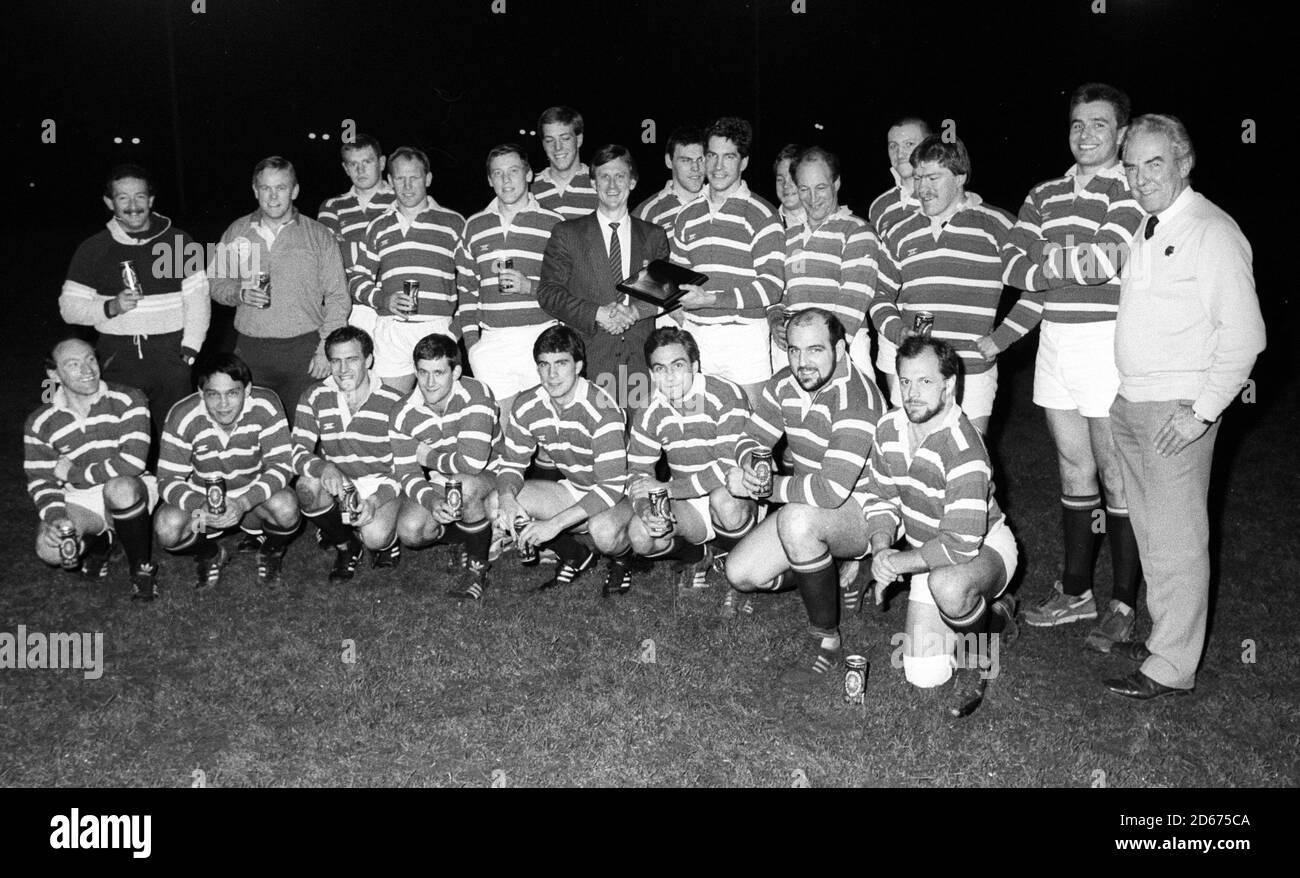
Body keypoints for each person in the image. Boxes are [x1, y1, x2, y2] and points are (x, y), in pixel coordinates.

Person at [1103, 114, 1265, 700]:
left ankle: (1172, 667)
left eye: (1155, 163)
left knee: (1175, 539)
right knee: (1151, 533)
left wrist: (1200, 412)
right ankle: (1165, 639)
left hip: (1175, 409)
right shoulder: (1149, 226)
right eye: (1132, 166)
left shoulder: (1211, 229)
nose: (1142, 178)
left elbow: (1245, 335)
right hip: (1133, 402)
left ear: (1183, 163)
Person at [980, 84, 1145, 649]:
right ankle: (1078, 592)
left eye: (1098, 125)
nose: (1085, 135)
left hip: (1107, 343)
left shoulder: (1131, 187)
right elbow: (1010, 265)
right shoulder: (1044, 193)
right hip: (1057, 343)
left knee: (1117, 474)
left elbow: (1106, 261)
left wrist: (1047, 264)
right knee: (1075, 472)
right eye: (1077, 124)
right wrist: (1061, 268)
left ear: (1121, 133)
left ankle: (1124, 601)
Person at [862, 336, 1019, 718]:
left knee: (948, 584)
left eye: (925, 381)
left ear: (949, 387)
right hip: (926, 554)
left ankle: (985, 633)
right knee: (923, 675)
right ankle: (990, 613)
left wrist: (897, 564)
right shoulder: (888, 427)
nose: (912, 392)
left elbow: (961, 545)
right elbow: (879, 495)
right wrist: (883, 548)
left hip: (982, 548)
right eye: (905, 381)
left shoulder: (965, 447)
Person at [724, 309, 886, 679]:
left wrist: (765, 487)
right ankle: (828, 571)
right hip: (810, 503)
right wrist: (752, 467)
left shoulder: (856, 398)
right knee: (741, 574)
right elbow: (750, 438)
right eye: (794, 351)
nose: (802, 362)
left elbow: (830, 491)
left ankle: (826, 637)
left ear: (841, 349)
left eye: (815, 350)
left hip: (865, 509)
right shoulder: (785, 383)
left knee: (797, 521)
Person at [60, 164, 210, 449]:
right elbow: (68, 308)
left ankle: (173, 494)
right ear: (109, 202)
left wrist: (189, 350)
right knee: (122, 443)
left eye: (140, 196)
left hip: (171, 357)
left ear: (151, 200)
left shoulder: (178, 241)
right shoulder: (93, 249)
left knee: (178, 442)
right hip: (118, 359)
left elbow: (198, 300)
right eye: (123, 198)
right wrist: (110, 307)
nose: (133, 206)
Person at [871, 135, 1014, 430]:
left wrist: (1005, 336)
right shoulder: (900, 231)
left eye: (933, 177)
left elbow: (1042, 279)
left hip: (971, 370)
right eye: (918, 177)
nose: (922, 188)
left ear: (960, 176)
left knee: (971, 466)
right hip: (917, 370)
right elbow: (879, 295)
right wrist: (898, 332)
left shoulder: (997, 225)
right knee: (917, 461)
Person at [209, 156, 350, 427]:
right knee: (253, 430)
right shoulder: (237, 231)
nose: (273, 197)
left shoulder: (318, 235)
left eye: (281, 188)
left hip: (305, 351)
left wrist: (325, 348)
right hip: (251, 351)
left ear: (294, 190)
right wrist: (239, 292)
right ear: (255, 190)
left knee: (305, 432)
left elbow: (337, 296)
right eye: (265, 188)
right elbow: (216, 283)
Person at [491, 326, 633, 595]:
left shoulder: (603, 409)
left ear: (578, 366)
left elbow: (611, 488)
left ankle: (623, 559)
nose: (552, 374)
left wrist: (552, 526)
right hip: (577, 487)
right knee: (496, 502)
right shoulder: (527, 404)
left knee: (602, 529)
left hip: (621, 494)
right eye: (544, 364)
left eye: (561, 364)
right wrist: (508, 500)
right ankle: (576, 554)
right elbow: (511, 463)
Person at [25, 338, 159, 599]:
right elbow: (41, 480)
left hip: (132, 486)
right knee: (48, 549)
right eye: (73, 364)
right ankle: (102, 540)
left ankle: (141, 571)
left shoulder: (129, 398)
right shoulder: (40, 421)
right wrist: (55, 518)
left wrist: (73, 473)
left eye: (90, 360)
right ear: (54, 374)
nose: (87, 370)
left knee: (119, 487)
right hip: (81, 498)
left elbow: (131, 464)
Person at [623, 327, 754, 593]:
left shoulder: (725, 395)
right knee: (640, 536)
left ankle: (745, 569)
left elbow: (727, 470)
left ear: (694, 365)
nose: (669, 377)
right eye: (659, 368)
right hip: (689, 500)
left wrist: (666, 489)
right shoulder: (649, 408)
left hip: (738, 493)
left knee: (723, 501)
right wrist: (645, 510)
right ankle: (697, 554)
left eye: (678, 365)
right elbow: (637, 473)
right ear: (651, 373)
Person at [153, 354, 300, 589]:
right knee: (166, 529)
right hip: (203, 510)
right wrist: (199, 504)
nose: (223, 404)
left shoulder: (266, 404)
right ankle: (210, 553)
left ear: (247, 389)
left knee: (286, 507)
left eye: (232, 393)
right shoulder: (182, 415)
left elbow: (282, 465)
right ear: (201, 393)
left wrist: (242, 503)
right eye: (213, 394)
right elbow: (167, 479)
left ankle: (270, 551)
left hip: (252, 503)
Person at [671, 116, 785, 404]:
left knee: (753, 429)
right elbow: (677, 280)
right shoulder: (687, 215)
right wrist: (679, 310)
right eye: (712, 156)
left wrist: (711, 300)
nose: (718, 166)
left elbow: (771, 287)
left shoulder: (763, 214)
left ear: (743, 162)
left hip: (744, 338)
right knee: (701, 428)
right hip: (696, 337)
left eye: (728, 157)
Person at [537, 144, 669, 392]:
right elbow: (548, 293)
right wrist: (597, 313)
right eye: (604, 177)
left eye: (620, 176)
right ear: (593, 183)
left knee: (639, 430)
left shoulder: (654, 236)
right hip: (587, 359)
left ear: (632, 182)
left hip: (640, 360)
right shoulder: (567, 233)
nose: (612, 185)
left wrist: (635, 313)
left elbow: (663, 292)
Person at [390, 333, 501, 600]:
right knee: (410, 530)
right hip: (449, 477)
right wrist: (430, 500)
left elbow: (472, 463)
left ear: (457, 371)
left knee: (464, 484)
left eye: (439, 372)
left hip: (495, 471)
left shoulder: (476, 393)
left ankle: (477, 567)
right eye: (423, 372)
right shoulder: (402, 412)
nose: (429, 382)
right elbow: (406, 472)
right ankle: (465, 536)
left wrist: (428, 458)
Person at [456, 143, 565, 415]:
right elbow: (467, 291)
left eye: (513, 171)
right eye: (498, 173)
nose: (506, 180)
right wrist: (472, 346)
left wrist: (528, 286)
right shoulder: (474, 225)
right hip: (492, 343)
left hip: (541, 336)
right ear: (490, 180)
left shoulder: (555, 224)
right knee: (503, 433)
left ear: (528, 175)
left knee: (546, 428)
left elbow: (568, 290)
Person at [349, 146, 466, 395]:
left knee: (441, 409)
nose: (408, 185)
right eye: (400, 178)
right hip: (391, 330)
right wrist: (383, 298)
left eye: (414, 177)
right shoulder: (377, 226)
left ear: (428, 179)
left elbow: (471, 282)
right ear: (390, 181)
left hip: (437, 327)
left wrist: (453, 331)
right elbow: (357, 279)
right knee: (388, 407)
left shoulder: (454, 223)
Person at [291, 326, 405, 583]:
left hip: (382, 481)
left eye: (352, 359)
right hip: (340, 479)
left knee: (375, 538)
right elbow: (296, 452)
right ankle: (346, 547)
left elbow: (405, 469)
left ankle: (387, 541)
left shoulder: (395, 402)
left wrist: (376, 499)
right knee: (307, 486)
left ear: (368, 360)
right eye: (336, 361)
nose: (343, 370)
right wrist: (323, 468)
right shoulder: (315, 395)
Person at [772, 146, 879, 372]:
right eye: (804, 189)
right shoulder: (787, 236)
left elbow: (852, 303)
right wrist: (776, 320)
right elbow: (778, 293)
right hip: (795, 348)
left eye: (820, 187)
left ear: (836, 183)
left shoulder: (857, 231)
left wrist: (826, 355)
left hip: (842, 348)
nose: (812, 198)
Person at [317, 134, 395, 336]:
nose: (360, 170)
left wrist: (346, 245)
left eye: (367, 162)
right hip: (351, 308)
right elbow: (328, 261)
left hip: (393, 304)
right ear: (345, 168)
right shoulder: (332, 205)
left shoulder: (399, 200)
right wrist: (380, 247)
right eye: (353, 164)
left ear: (381, 162)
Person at [633, 126, 706, 232]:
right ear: (669, 161)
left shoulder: (722, 204)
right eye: (686, 160)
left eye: (701, 160)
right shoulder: (646, 213)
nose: (695, 168)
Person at [867, 117, 930, 240]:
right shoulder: (879, 206)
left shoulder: (948, 197)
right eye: (893, 146)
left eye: (909, 144)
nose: (900, 154)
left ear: (929, 147)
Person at [530, 106, 598, 218]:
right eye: (549, 140)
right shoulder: (528, 188)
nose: (557, 147)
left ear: (579, 140)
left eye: (565, 138)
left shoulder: (600, 184)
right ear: (543, 144)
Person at [773, 143, 806, 229]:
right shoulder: (769, 226)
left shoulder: (826, 222)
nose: (786, 185)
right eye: (780, 179)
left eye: (792, 178)